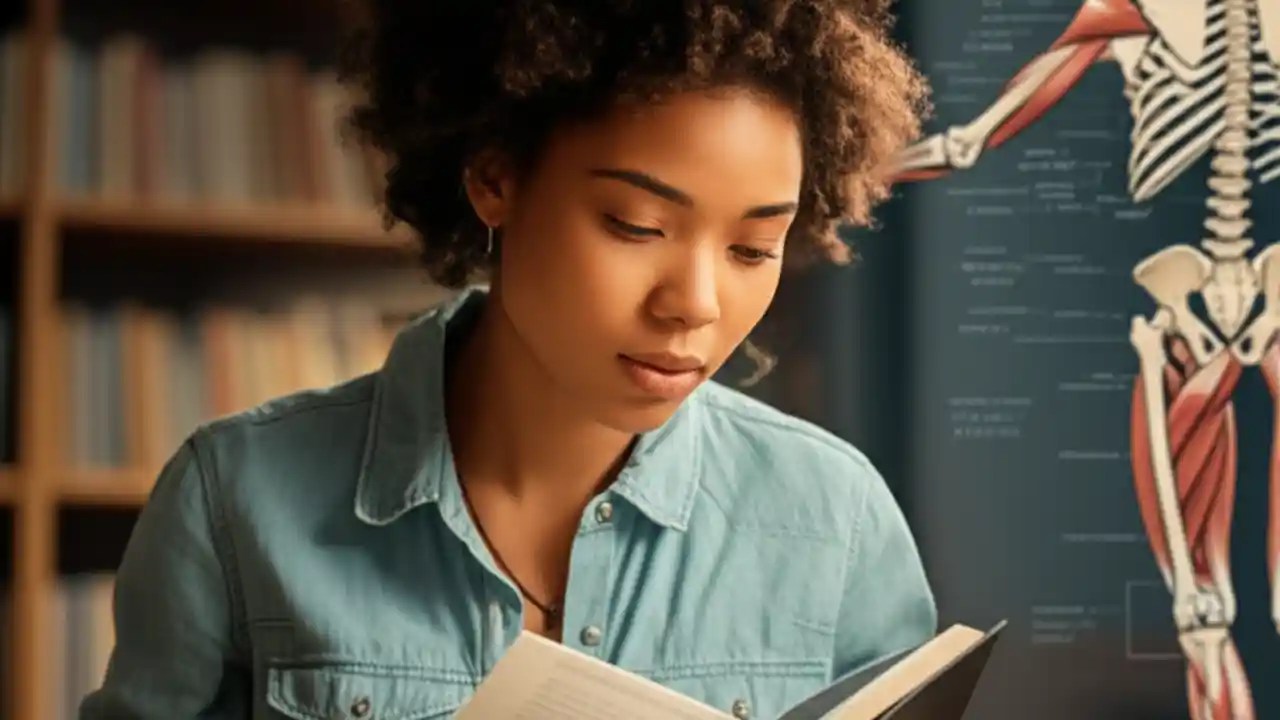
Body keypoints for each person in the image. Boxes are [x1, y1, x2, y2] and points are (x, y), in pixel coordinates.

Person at [80, 1, 938, 718]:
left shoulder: (838, 523)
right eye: (637, 226)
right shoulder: (233, 505)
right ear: (496, 179)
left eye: (754, 247)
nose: (697, 305)